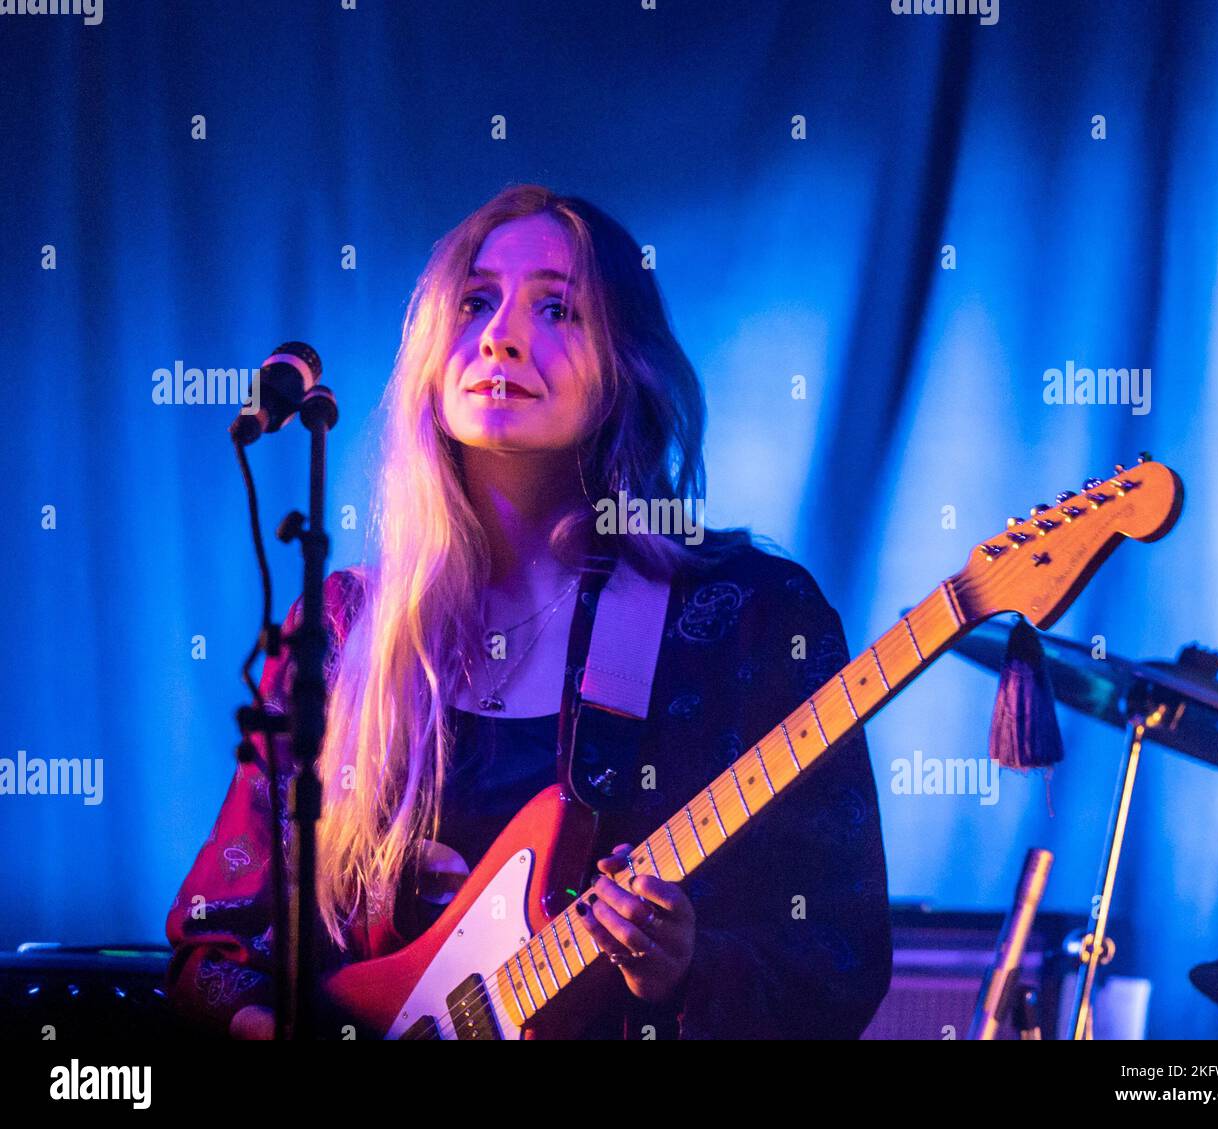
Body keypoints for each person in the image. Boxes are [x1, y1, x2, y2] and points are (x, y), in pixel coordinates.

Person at [165, 184, 892, 1040]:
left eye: (559, 308)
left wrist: (689, 968)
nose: (502, 334)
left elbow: (842, 953)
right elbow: (216, 941)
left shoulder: (750, 618)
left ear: (629, 366)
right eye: (474, 301)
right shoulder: (338, 628)